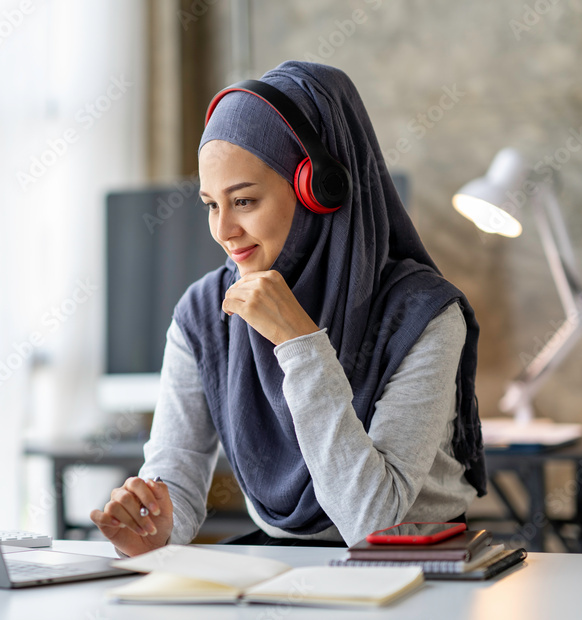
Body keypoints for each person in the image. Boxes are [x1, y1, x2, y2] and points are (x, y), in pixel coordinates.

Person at [89, 61, 486, 557]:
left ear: (318, 191)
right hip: (281, 560)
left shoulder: (422, 315)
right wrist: (158, 526)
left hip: (418, 562)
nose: (223, 231)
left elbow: (373, 522)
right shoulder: (202, 314)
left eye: (245, 201)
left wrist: (300, 344)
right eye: (212, 205)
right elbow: (178, 471)